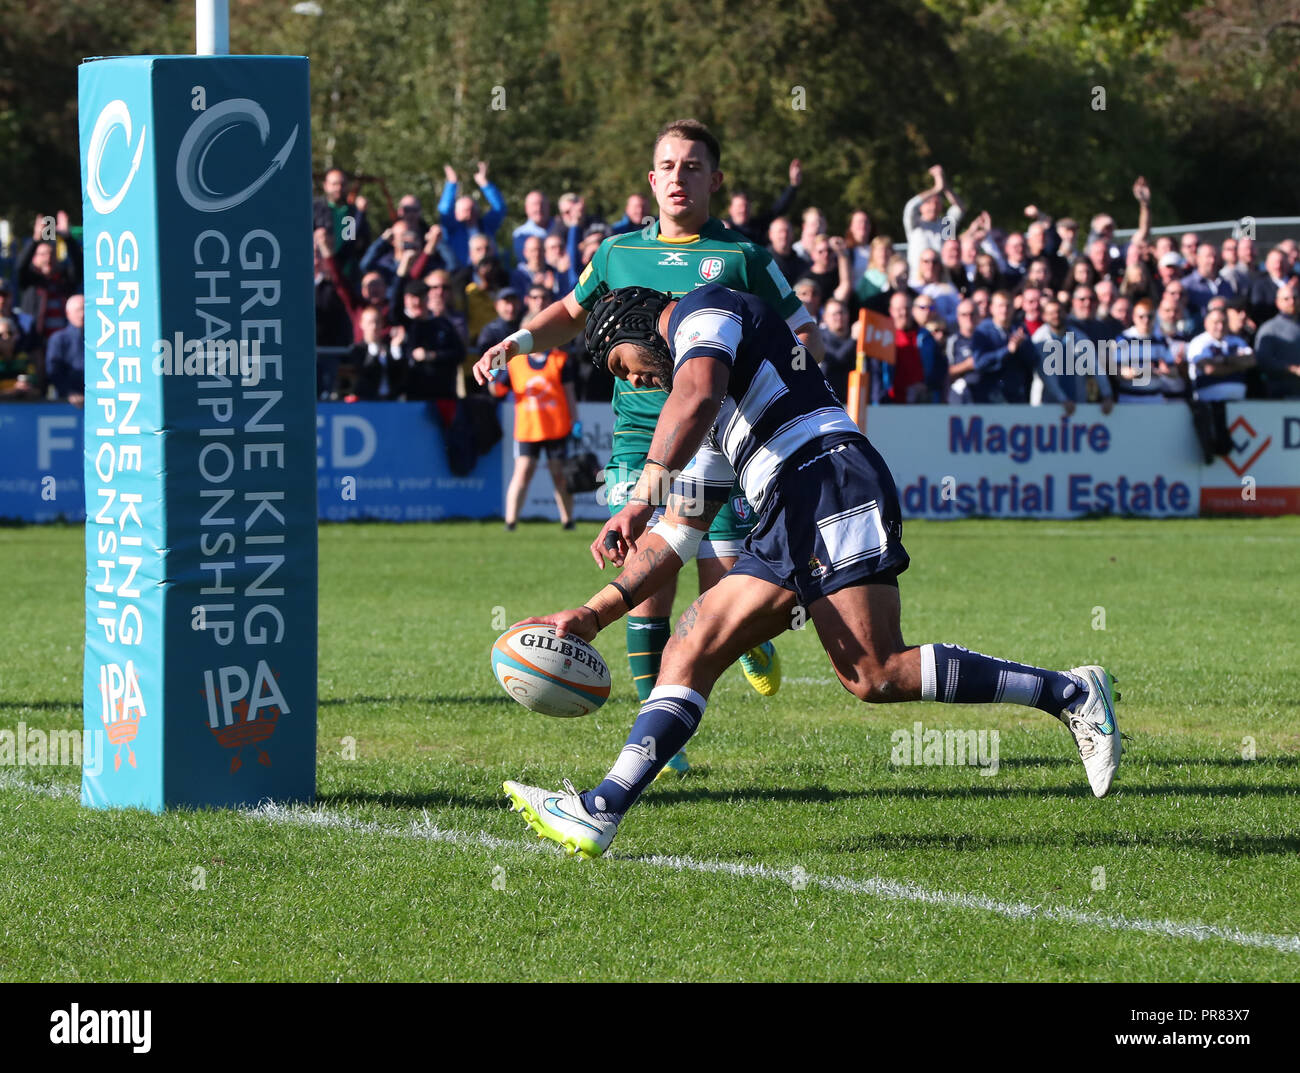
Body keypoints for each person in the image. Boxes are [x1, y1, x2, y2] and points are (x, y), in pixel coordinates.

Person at [500, 284, 1121, 859]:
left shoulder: (702, 309)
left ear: (640, 325)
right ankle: (600, 810)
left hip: (825, 476)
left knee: (876, 673)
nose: (634, 381)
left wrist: (641, 493)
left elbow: (693, 400)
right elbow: (679, 530)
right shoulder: (709, 413)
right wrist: (594, 612)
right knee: (691, 645)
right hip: (784, 506)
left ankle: (1067, 692)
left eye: (623, 365)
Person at [473, 118, 821, 774]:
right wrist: (514, 343)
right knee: (648, 575)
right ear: (651, 179)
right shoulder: (615, 253)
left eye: (694, 166)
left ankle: (745, 639)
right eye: (669, 165)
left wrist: (790, 388)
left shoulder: (743, 257)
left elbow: (805, 332)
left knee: (721, 585)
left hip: (718, 433)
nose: (680, 177)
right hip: (640, 433)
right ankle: (662, 739)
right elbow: (570, 314)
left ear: (714, 179)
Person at [487, 325, 578, 532]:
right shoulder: (515, 362)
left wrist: (575, 420)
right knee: (522, 473)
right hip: (528, 429)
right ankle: (510, 522)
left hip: (556, 427)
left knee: (559, 475)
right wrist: (495, 367)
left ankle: (568, 520)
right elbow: (497, 390)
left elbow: (569, 394)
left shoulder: (560, 359)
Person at [903, 164, 965, 285]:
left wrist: (944, 186)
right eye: (929, 203)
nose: (933, 206)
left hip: (942, 281)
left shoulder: (945, 226)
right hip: (917, 282)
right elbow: (910, 207)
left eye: (937, 203)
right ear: (921, 207)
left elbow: (960, 209)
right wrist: (936, 189)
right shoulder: (915, 225)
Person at [438, 161, 507, 270]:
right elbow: (444, 211)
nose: (469, 214)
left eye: (472, 209)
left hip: (488, 272)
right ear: (456, 213)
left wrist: (484, 183)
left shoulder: (486, 226)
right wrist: (452, 183)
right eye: (465, 210)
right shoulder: (452, 229)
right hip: (461, 274)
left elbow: (499, 208)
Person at [724, 159, 802, 244]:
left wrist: (793, 185)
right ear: (730, 209)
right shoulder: (723, 229)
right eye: (739, 206)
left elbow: (779, 208)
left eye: (746, 206)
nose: (743, 210)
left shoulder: (759, 226)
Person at [1254, 284, 1300, 397]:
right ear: (1277, 302)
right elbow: (1263, 360)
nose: (1292, 301)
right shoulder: (1270, 328)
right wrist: (1292, 369)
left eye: (1295, 297)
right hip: (1281, 394)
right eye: (1286, 299)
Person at [45, 293, 84, 404]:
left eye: (86, 310)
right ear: (68, 313)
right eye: (78, 310)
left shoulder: (100, 339)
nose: (82, 314)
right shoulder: (58, 339)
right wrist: (68, 392)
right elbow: (54, 371)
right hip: (66, 401)